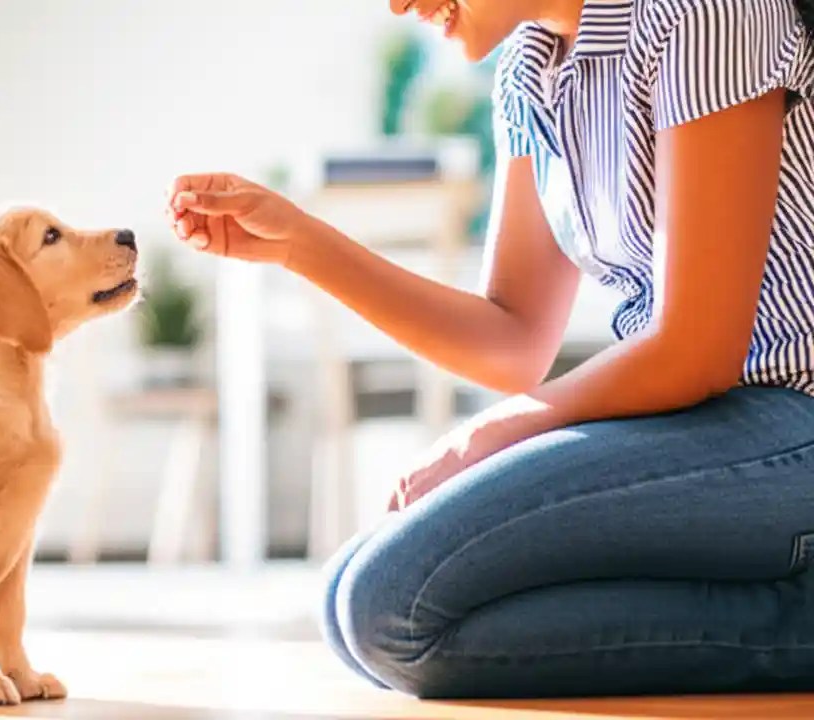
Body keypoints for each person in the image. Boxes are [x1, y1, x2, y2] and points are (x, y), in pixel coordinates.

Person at [165, 0, 814, 699]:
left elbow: (694, 349)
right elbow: (512, 336)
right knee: (353, 598)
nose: (398, 4)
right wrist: (300, 244)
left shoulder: (702, 15)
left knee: (390, 610)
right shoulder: (530, 68)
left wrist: (484, 435)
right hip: (699, 429)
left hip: (789, 419)